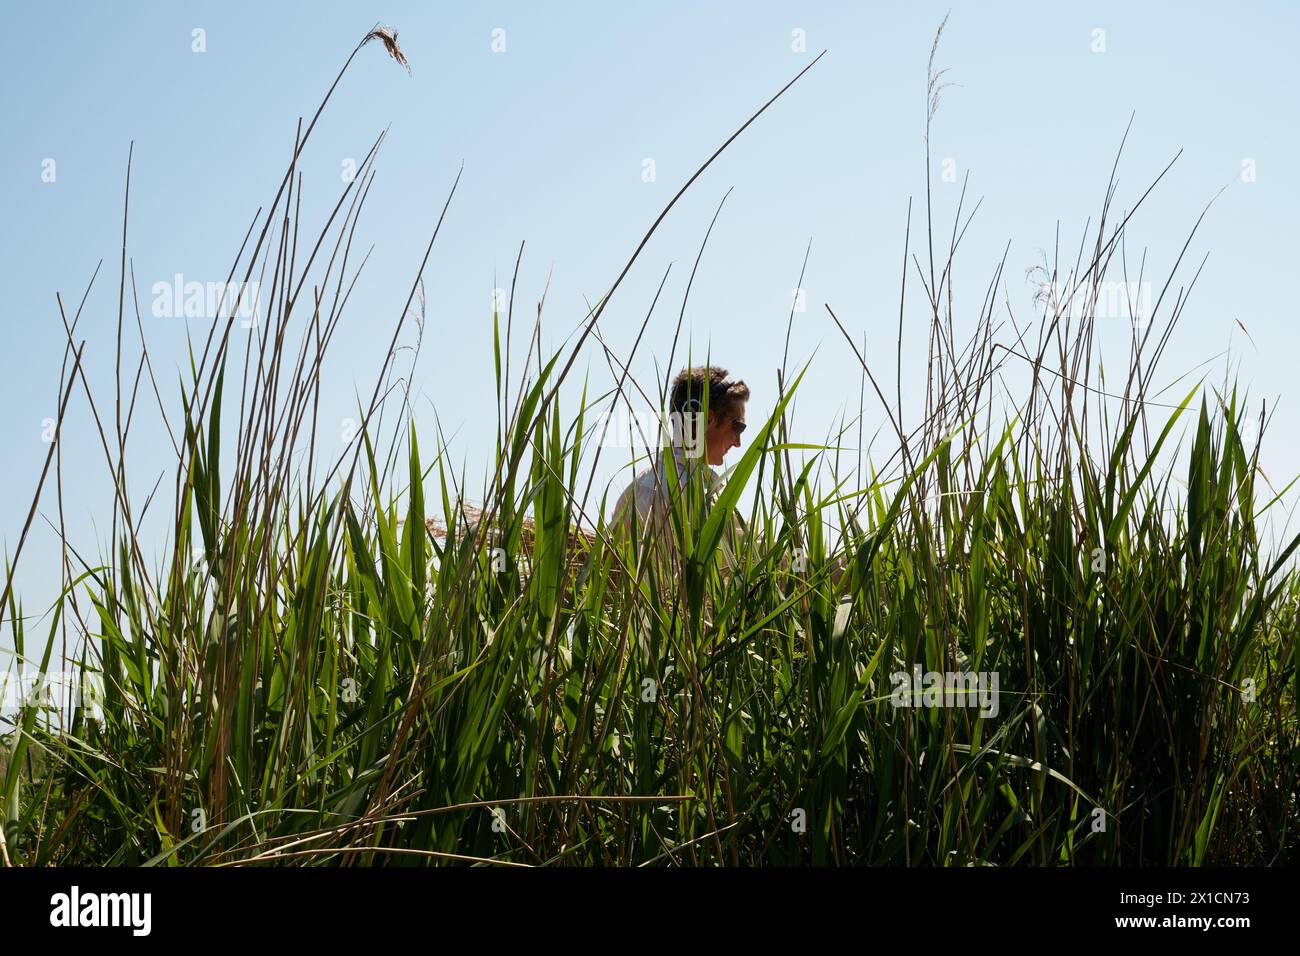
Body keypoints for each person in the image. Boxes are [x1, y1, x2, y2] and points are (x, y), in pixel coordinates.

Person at [610, 365, 749, 563]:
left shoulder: (635, 489)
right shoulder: (703, 497)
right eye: (738, 427)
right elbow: (751, 555)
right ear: (708, 419)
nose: (738, 442)